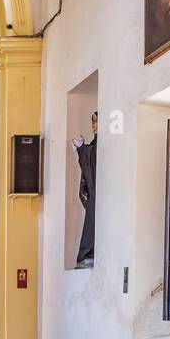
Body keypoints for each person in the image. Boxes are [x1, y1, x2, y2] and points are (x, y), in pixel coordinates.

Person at [72, 111, 97, 266]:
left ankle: (89, 251)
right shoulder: (95, 143)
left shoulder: (105, 140)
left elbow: (95, 156)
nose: (94, 125)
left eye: (96, 121)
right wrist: (81, 149)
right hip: (95, 191)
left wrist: (82, 149)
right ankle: (87, 252)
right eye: (92, 122)